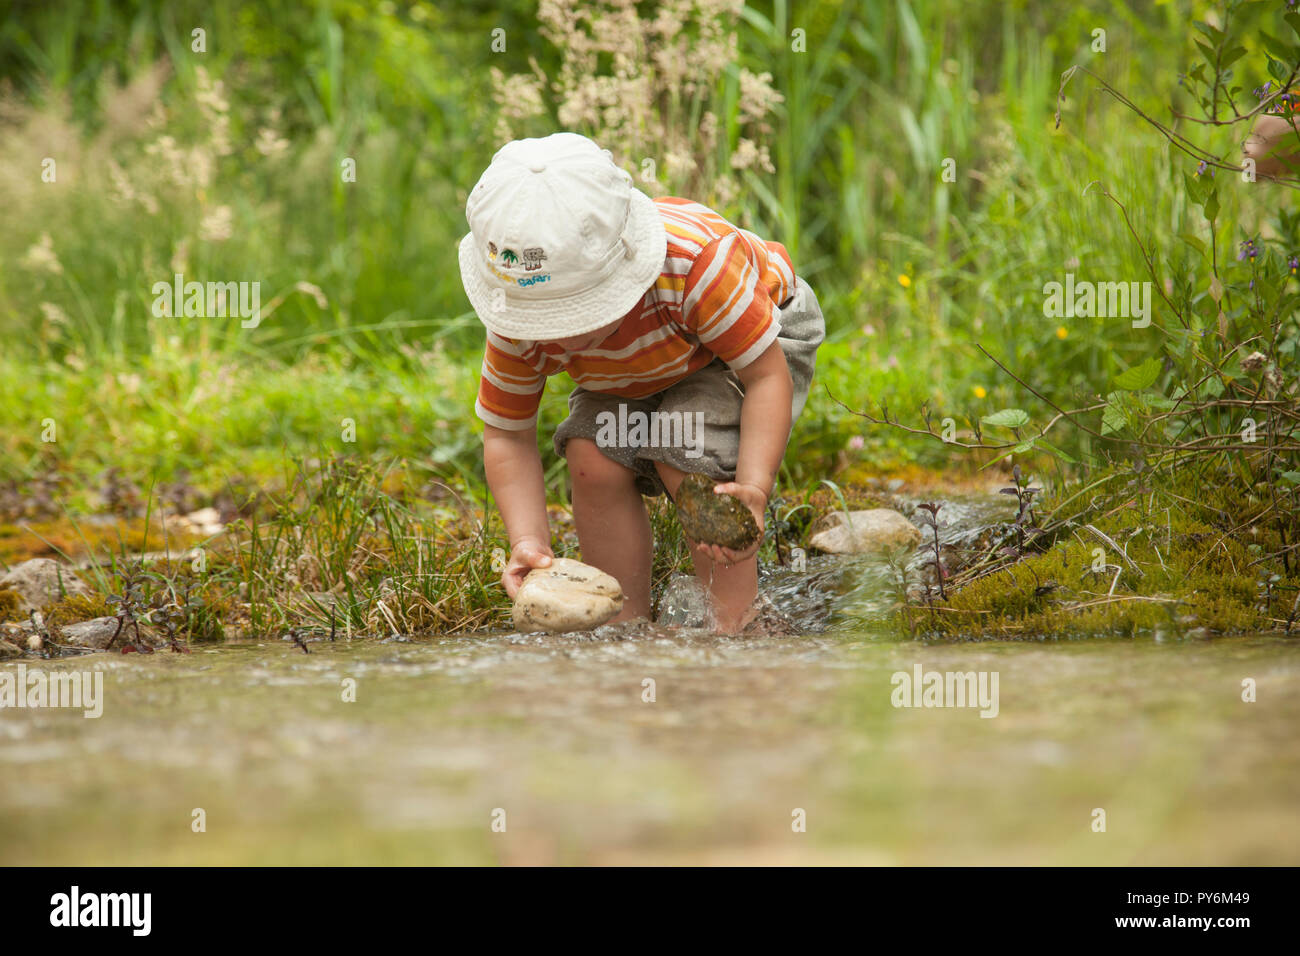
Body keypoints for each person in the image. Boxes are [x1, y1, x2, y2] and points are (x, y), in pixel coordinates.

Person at [459, 132, 824, 631]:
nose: (554, 344)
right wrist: (528, 541)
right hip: (633, 369)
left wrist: (754, 487)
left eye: (571, 319)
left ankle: (736, 628)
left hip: (752, 345)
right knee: (591, 455)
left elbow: (764, 377)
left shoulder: (697, 268)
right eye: (542, 326)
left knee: (683, 442)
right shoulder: (516, 317)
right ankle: (624, 626)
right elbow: (507, 434)